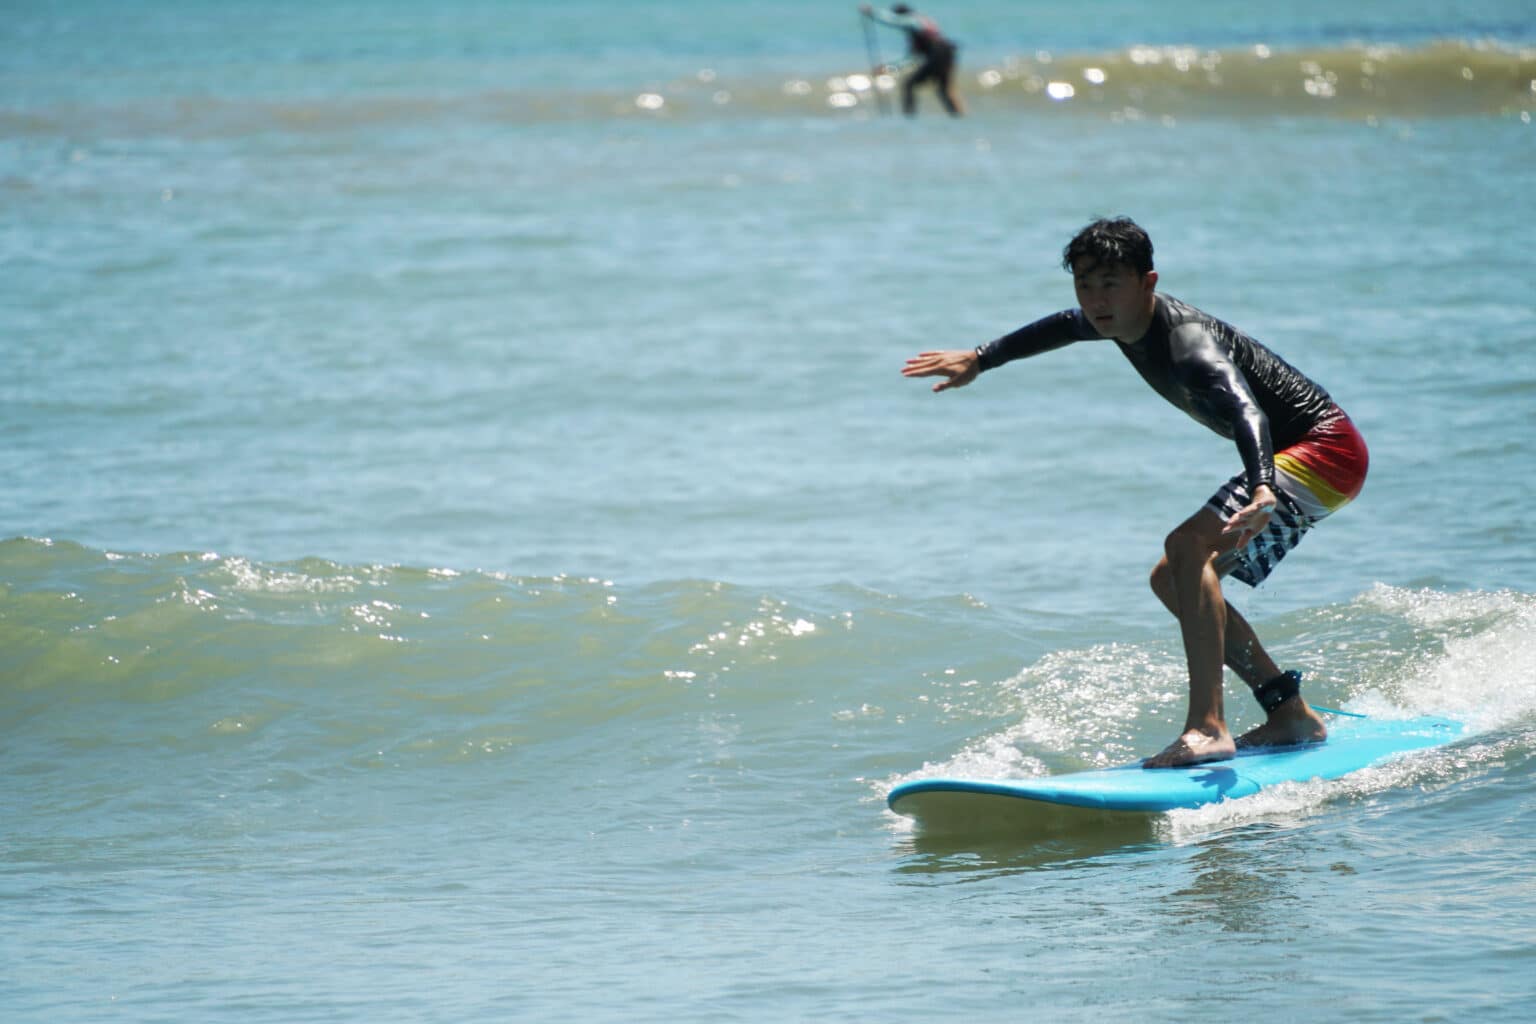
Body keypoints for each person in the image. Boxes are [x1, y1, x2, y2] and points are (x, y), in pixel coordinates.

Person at [901, 217, 1369, 768]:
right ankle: (1288, 712)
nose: (1096, 301)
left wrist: (1263, 487)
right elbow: (1062, 325)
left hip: (1325, 450)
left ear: (1148, 283)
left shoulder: (1188, 344)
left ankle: (1208, 727)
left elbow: (1249, 412)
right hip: (1305, 455)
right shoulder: (1116, 320)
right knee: (1173, 578)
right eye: (1084, 284)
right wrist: (980, 358)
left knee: (1188, 547)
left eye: (1110, 284)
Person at [859, 4, 965, 117]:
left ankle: (909, 117)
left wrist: (872, 13)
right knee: (943, 89)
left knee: (909, 85)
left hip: (940, 54)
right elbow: (911, 59)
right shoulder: (920, 27)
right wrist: (888, 68)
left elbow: (894, 21)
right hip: (946, 54)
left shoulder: (912, 21)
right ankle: (958, 116)